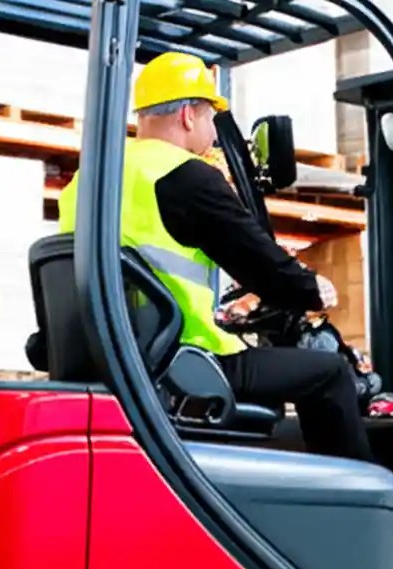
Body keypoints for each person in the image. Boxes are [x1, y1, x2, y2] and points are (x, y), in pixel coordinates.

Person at [57, 51, 374, 462]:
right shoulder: (185, 175)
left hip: (115, 356)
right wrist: (310, 288)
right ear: (189, 115)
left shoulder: (88, 179)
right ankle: (366, 507)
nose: (211, 132)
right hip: (179, 358)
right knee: (329, 374)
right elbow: (259, 261)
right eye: (210, 117)